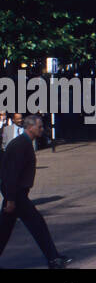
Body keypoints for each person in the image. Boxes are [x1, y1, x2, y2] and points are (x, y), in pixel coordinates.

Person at [0, 115, 71, 268]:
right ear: (30, 127)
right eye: (39, 126)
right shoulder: (20, 145)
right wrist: (11, 199)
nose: (42, 129)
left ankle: (53, 257)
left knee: (4, 232)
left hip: (17, 194)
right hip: (16, 195)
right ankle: (53, 258)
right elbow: (11, 175)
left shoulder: (24, 143)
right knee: (37, 224)